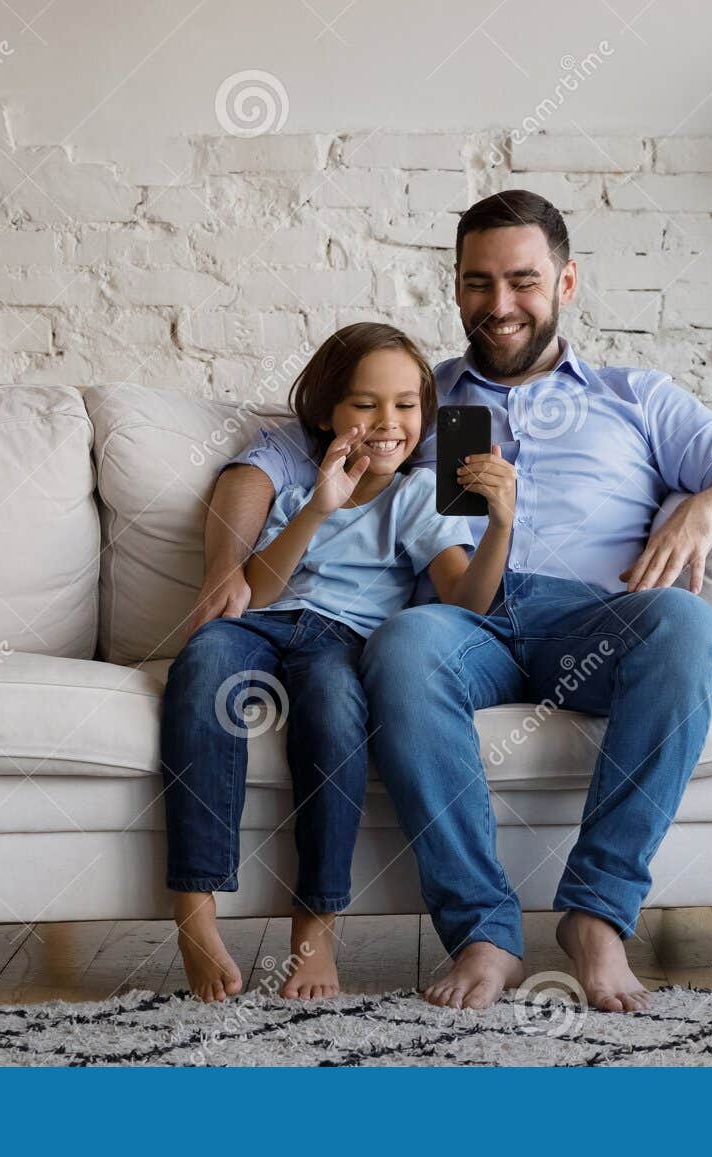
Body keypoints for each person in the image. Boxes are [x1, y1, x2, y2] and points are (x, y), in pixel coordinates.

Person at [190, 190, 712, 1013]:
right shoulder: (417, 399)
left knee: (689, 624)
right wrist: (226, 563)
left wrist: (703, 506)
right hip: (467, 616)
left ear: (567, 282)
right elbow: (269, 454)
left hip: (593, 620)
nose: (499, 305)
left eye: (522, 281)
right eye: (478, 283)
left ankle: (597, 916)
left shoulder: (634, 395)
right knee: (400, 645)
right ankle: (485, 930)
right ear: (457, 286)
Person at [160, 321, 517, 1002]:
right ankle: (194, 914)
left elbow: (466, 601)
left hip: (342, 640)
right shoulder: (295, 488)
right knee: (203, 666)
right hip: (259, 628)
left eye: (407, 406)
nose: (388, 423)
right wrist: (318, 508)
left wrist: (499, 524)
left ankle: (314, 926)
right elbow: (256, 592)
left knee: (333, 707)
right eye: (365, 404)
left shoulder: (417, 498)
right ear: (326, 413)